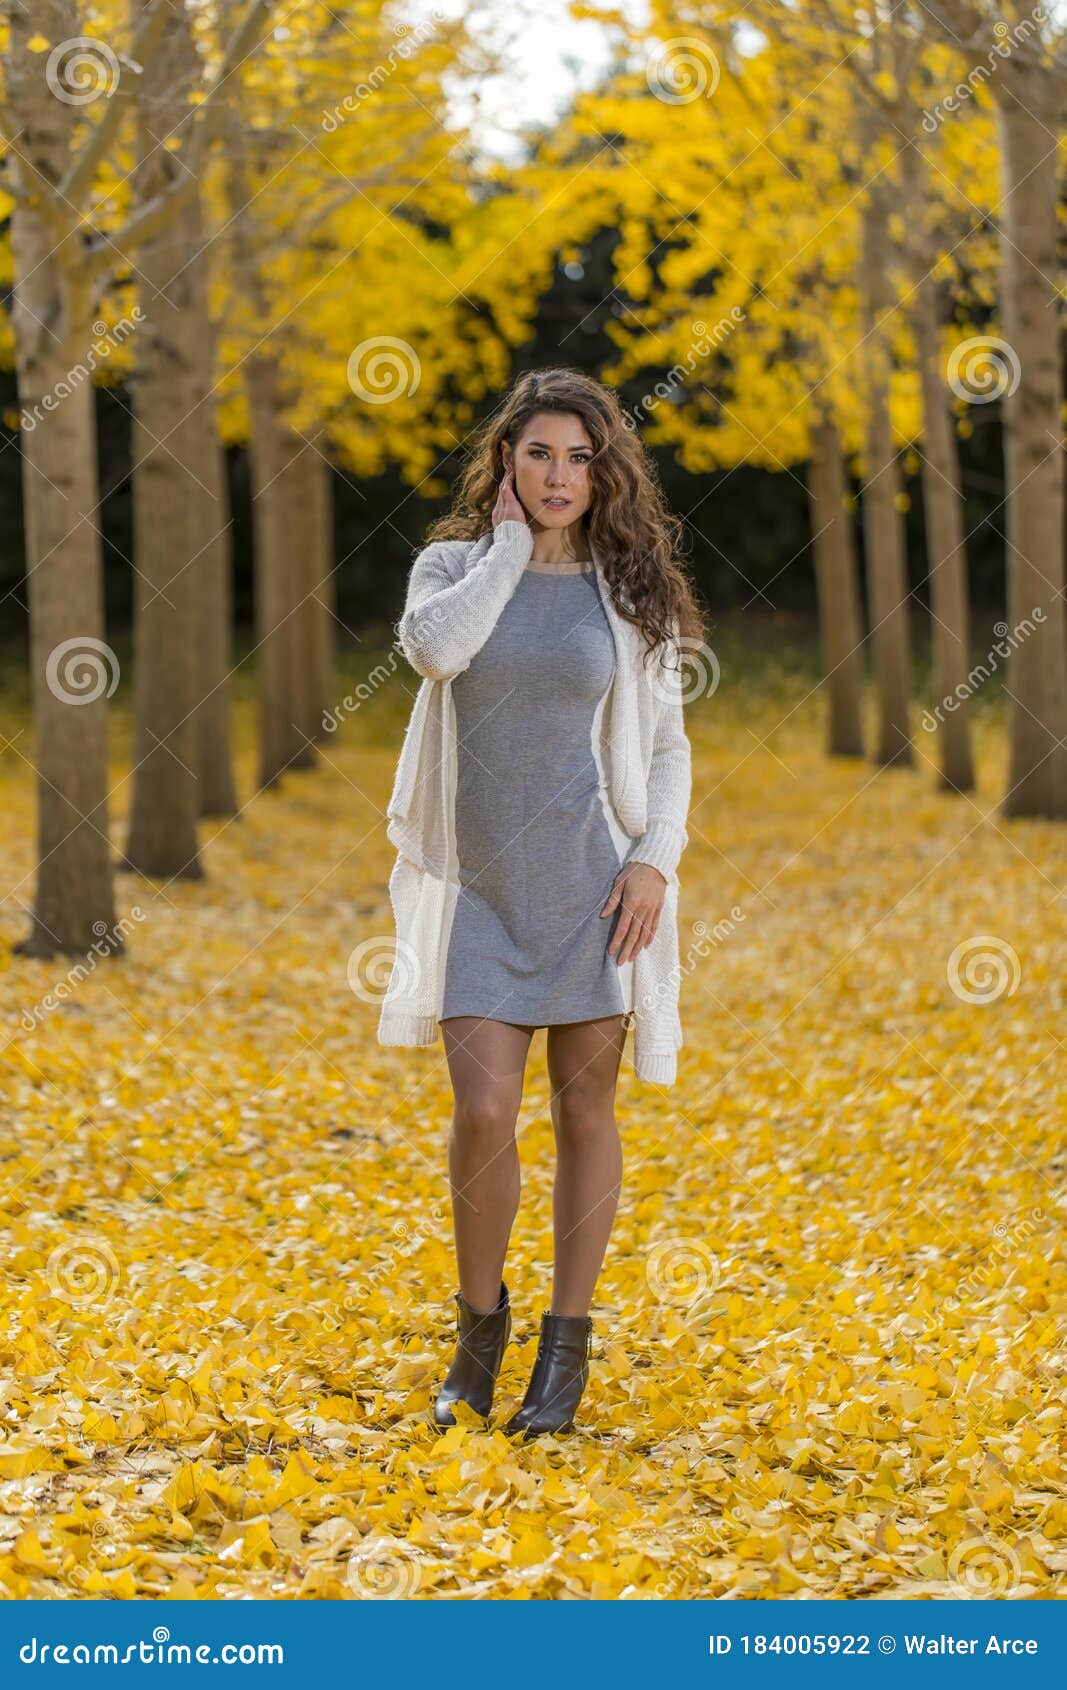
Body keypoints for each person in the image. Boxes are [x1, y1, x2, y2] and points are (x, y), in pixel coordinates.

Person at [380, 367, 704, 1438]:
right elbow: (433, 651)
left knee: (582, 1113)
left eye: (578, 456)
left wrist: (654, 858)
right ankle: (479, 1331)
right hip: (480, 890)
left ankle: (563, 1349)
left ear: (603, 467)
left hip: (591, 889)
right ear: (505, 464)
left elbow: (664, 746)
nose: (559, 474)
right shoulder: (451, 567)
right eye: (537, 454)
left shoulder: (629, 589)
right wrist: (511, 551)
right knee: (480, 1111)